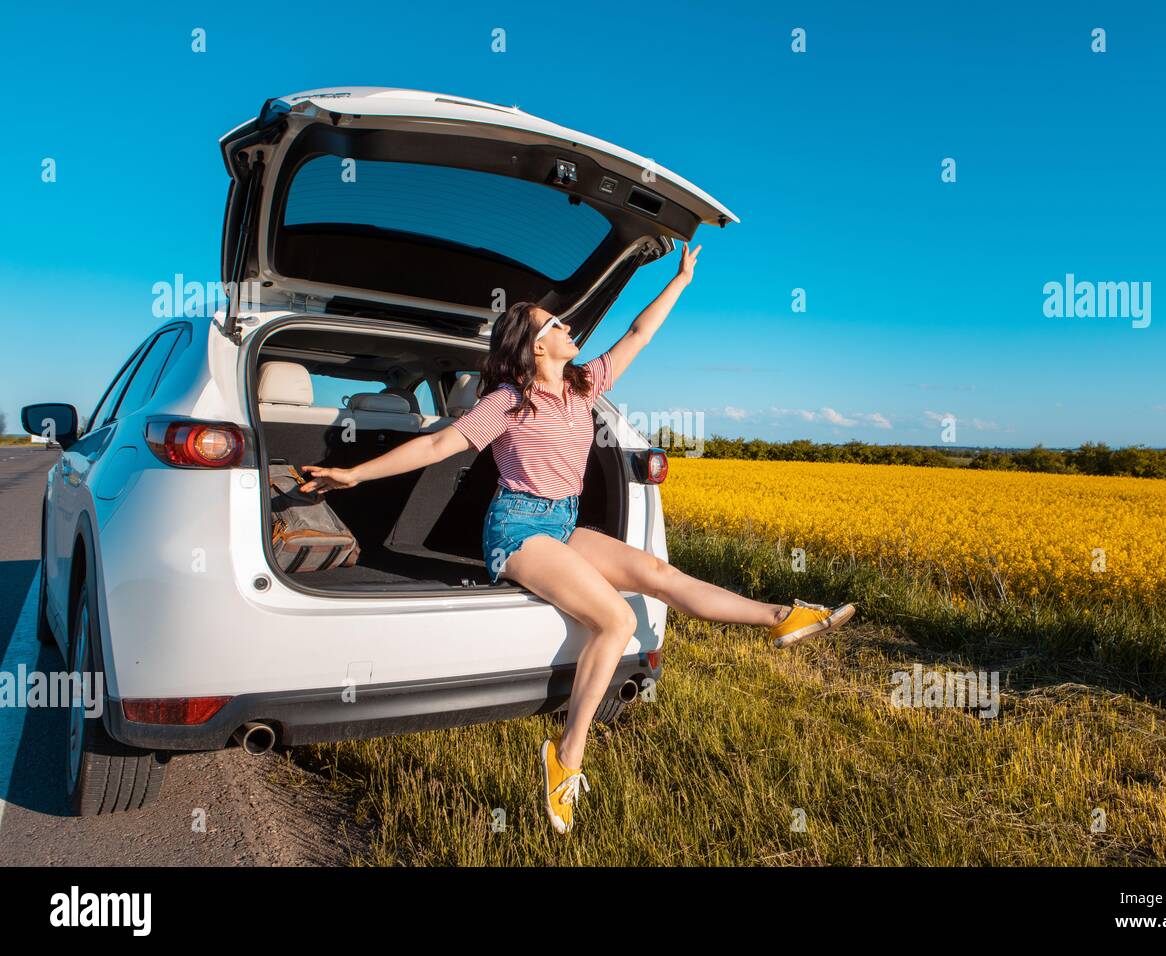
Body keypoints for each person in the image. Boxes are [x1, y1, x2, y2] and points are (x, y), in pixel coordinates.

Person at [300, 241, 855, 834]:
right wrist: (353, 473)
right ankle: (565, 761)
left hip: (561, 523)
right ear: (537, 345)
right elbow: (439, 445)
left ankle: (781, 618)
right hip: (516, 528)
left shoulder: (586, 386)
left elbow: (638, 334)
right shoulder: (508, 402)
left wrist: (681, 281)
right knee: (616, 621)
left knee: (658, 575)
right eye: (557, 324)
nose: (570, 329)